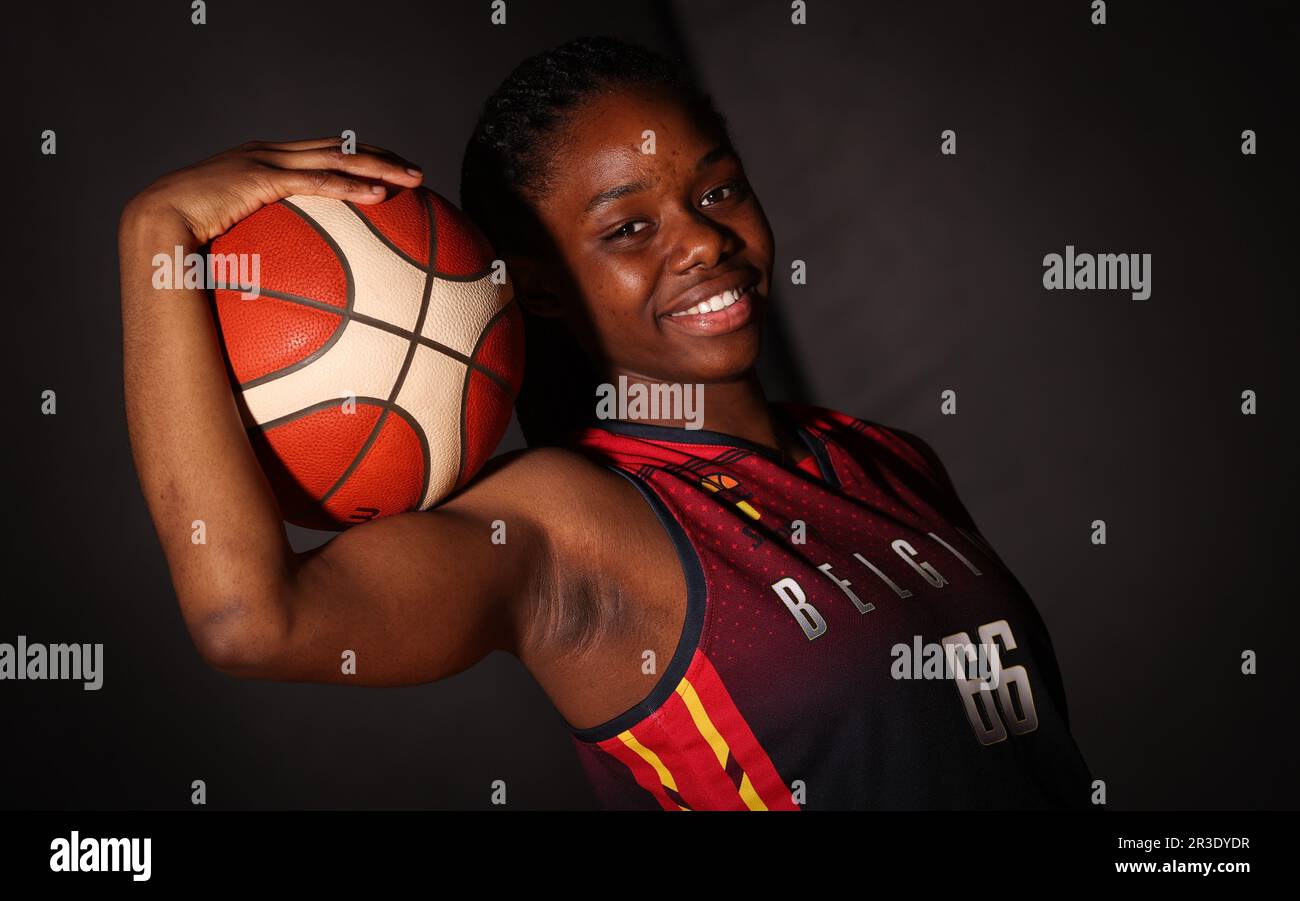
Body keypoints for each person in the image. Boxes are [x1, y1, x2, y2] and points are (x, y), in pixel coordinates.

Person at [119, 36, 1093, 810]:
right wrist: (155, 237)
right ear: (539, 288)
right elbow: (251, 620)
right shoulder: (570, 526)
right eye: (630, 228)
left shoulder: (885, 458)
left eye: (716, 191)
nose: (706, 240)